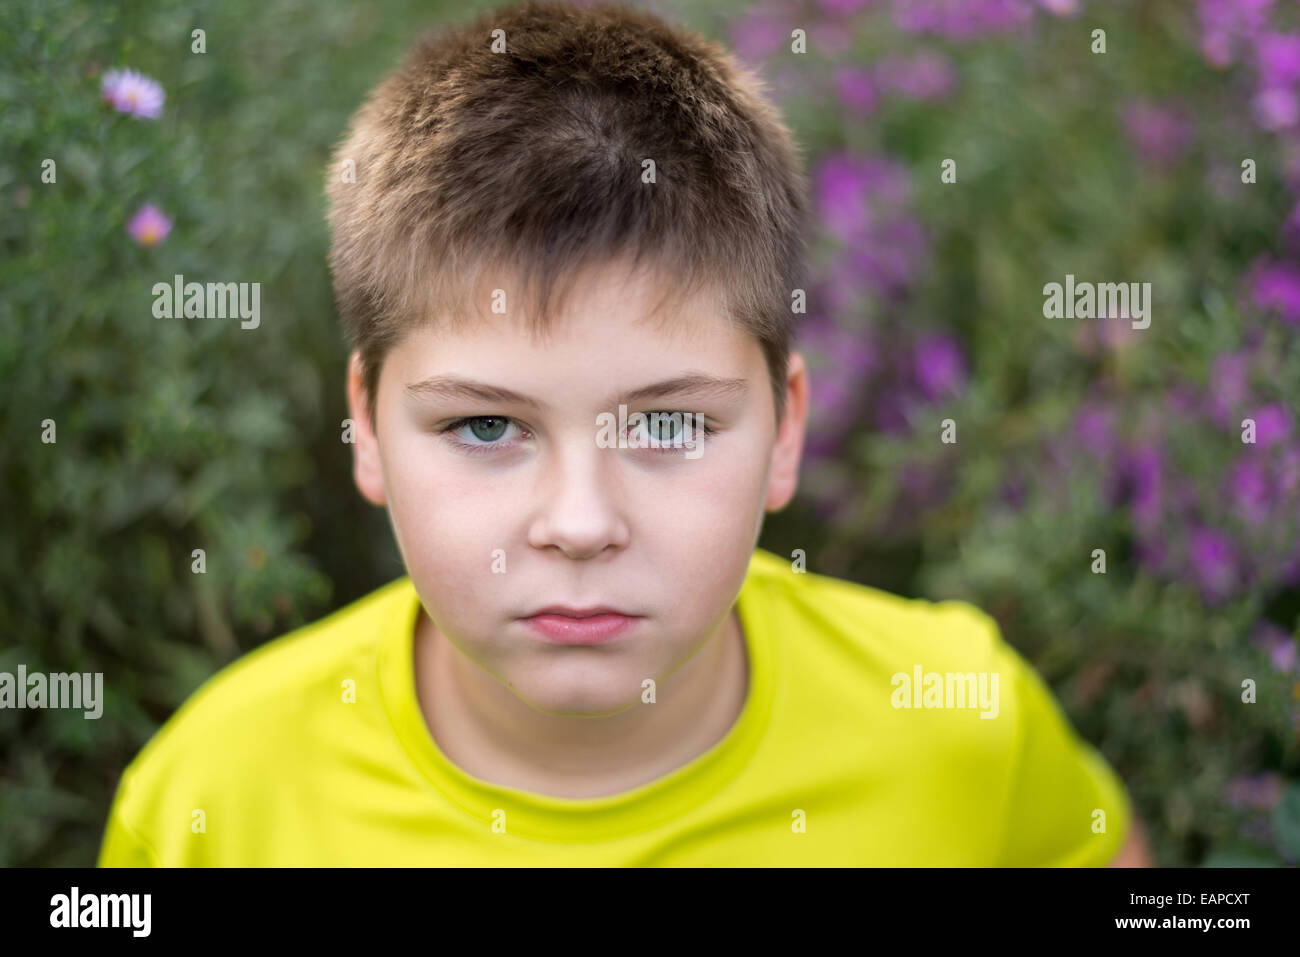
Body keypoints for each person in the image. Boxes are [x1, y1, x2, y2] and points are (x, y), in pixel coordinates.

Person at [98, 0, 1150, 866]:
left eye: (673, 424)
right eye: (481, 427)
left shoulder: (958, 723)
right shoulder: (215, 805)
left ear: (785, 431)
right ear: (366, 426)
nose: (580, 524)